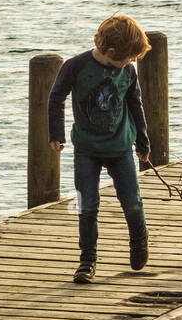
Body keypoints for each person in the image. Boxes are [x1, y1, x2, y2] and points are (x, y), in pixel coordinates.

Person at [47, 14, 151, 283]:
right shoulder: (76, 66)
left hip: (120, 148)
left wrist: (143, 140)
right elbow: (56, 96)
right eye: (127, 58)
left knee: (132, 201)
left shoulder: (128, 70)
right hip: (86, 149)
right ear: (111, 51)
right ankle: (87, 261)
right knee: (88, 206)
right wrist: (56, 133)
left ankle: (139, 238)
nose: (130, 63)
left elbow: (135, 103)